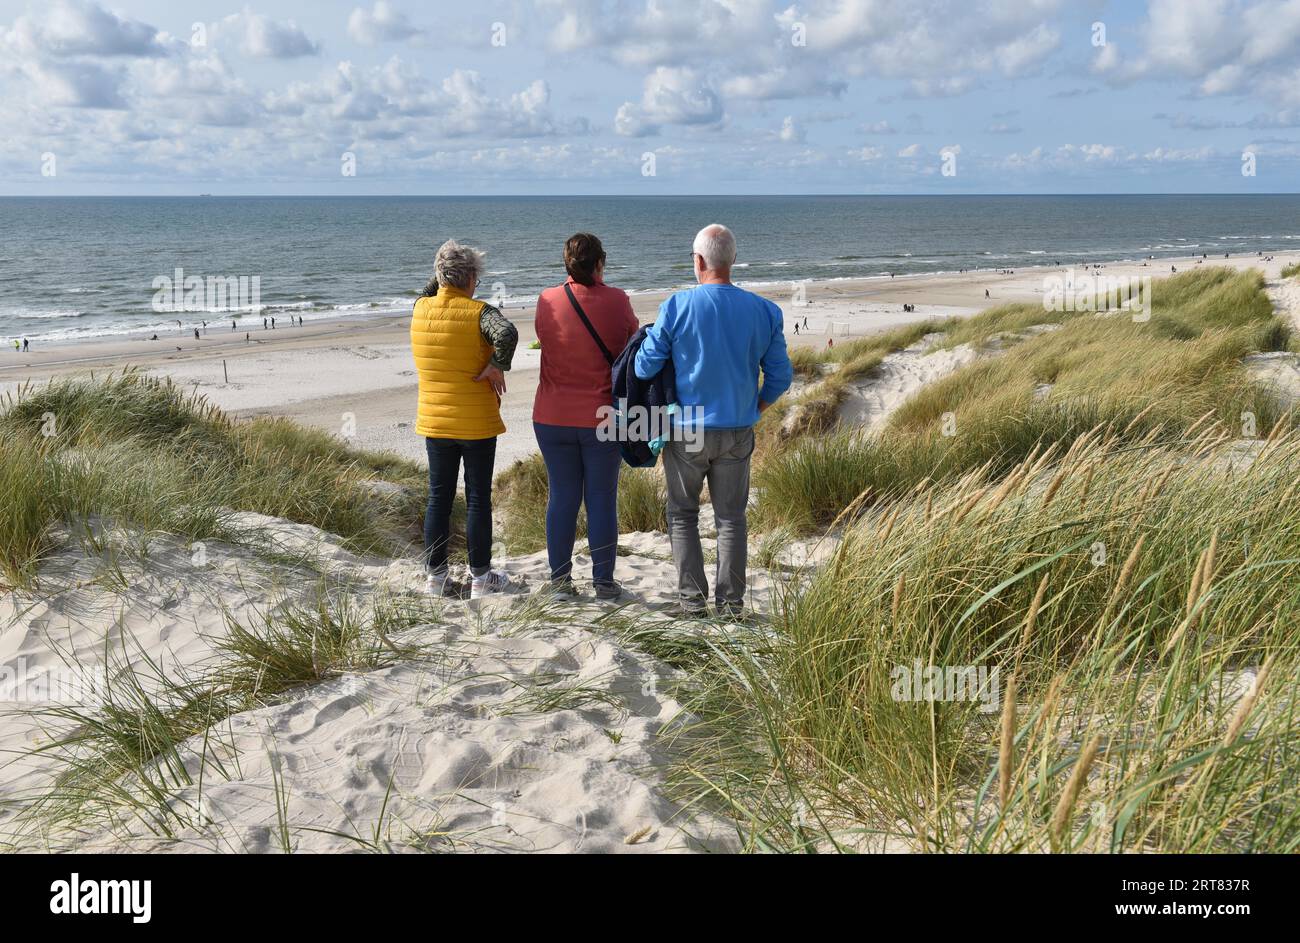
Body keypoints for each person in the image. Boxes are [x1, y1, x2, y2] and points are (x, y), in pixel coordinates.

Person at [634, 224, 792, 616]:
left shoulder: (676, 306)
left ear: (699, 261)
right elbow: (780, 376)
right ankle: (731, 605)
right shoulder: (765, 310)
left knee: (683, 515)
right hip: (737, 428)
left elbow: (643, 366)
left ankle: (692, 603)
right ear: (732, 260)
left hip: (687, 431)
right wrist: (759, 407)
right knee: (731, 519)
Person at [532, 233, 638, 600]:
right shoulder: (618, 300)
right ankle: (603, 582)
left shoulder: (546, 299)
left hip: (552, 414)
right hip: (603, 416)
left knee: (562, 496)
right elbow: (632, 342)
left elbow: (546, 338)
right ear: (599, 263)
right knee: (601, 497)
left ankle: (560, 582)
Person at [412, 239, 518, 599]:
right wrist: (496, 366)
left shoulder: (420, 309)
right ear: (471, 277)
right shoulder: (480, 313)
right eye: (476, 276)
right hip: (476, 423)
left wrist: (442, 268)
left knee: (438, 498)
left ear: (441, 277)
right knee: (477, 499)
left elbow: (433, 287)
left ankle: (436, 579)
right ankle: (480, 579)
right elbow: (507, 333)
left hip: (436, 421)